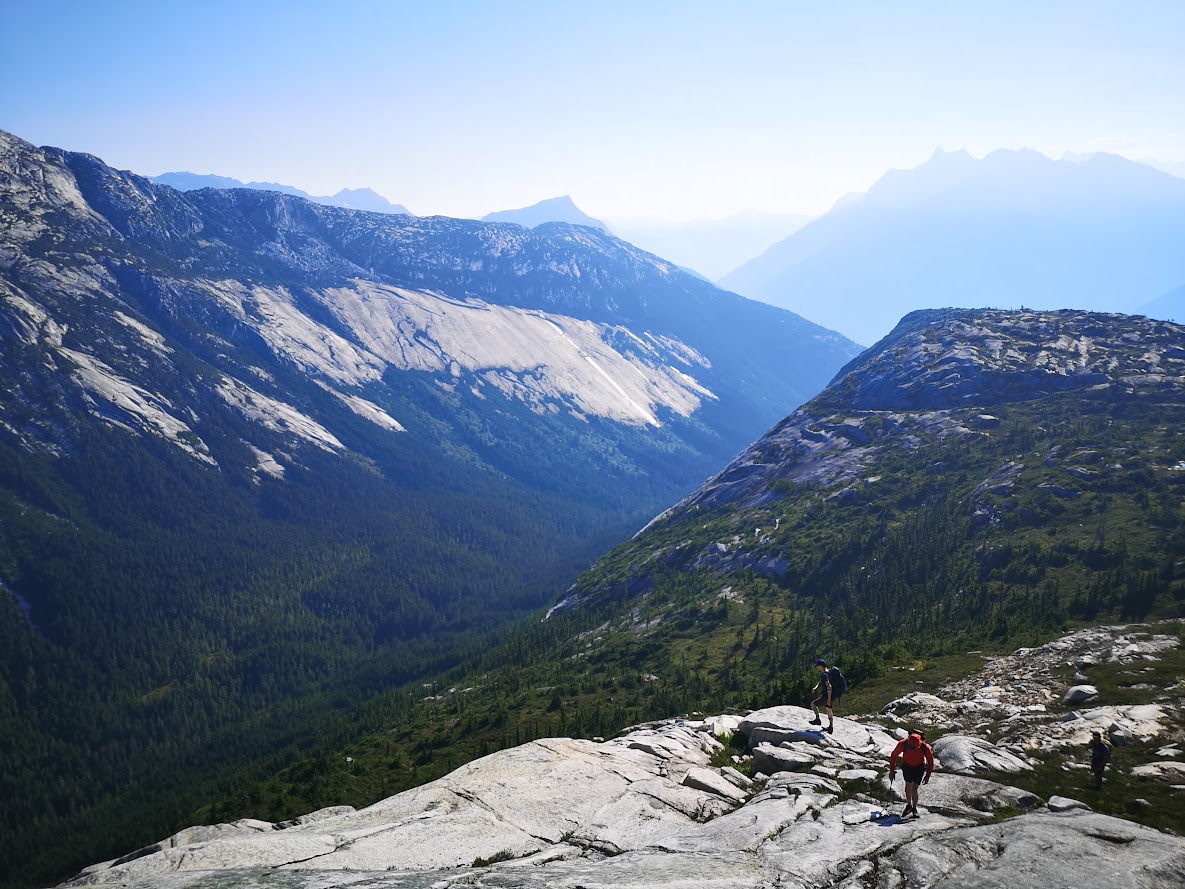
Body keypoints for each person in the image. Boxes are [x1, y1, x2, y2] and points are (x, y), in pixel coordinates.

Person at [889, 729, 934, 817]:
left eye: (914, 748)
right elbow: (894, 755)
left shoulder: (925, 747)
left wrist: (927, 776)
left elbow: (930, 761)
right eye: (910, 747)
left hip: (919, 767)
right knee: (908, 785)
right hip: (907, 766)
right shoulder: (903, 743)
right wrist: (892, 770)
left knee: (914, 788)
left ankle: (914, 807)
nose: (912, 749)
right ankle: (909, 805)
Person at [809, 658, 838, 733]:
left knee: (813, 704)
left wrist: (828, 700)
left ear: (821, 666)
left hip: (827, 696)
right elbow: (821, 681)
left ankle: (817, 720)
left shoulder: (825, 674)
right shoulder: (828, 672)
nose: (817, 668)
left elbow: (829, 686)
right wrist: (816, 687)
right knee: (829, 710)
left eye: (818, 666)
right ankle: (830, 727)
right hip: (831, 696)